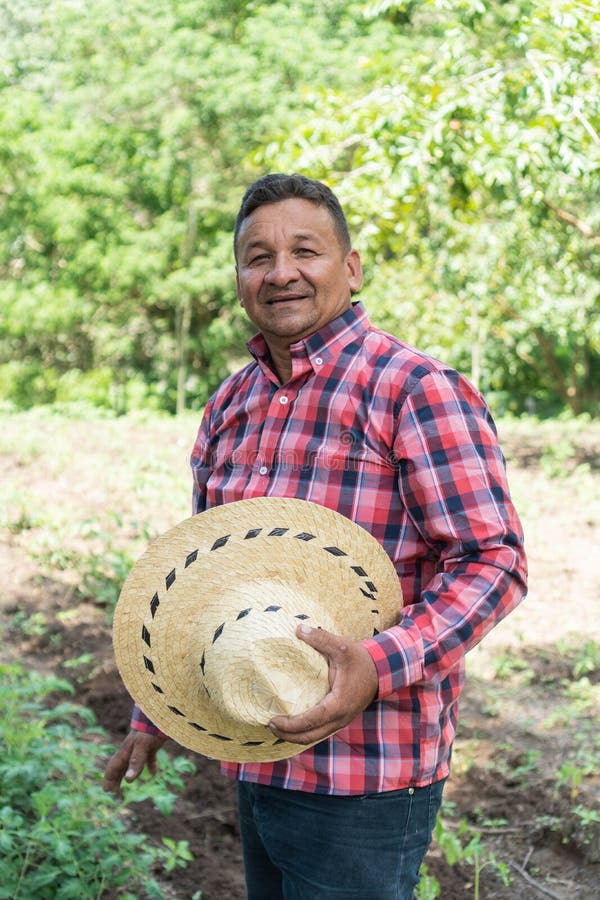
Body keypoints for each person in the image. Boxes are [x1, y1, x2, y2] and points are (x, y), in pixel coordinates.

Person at [104, 173, 527, 899]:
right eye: (257, 256)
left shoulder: (412, 389)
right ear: (240, 277)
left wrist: (376, 662)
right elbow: (204, 581)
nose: (281, 272)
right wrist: (160, 708)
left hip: (366, 777)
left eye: (306, 249)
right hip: (254, 747)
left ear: (351, 267)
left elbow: (494, 562)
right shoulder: (231, 405)